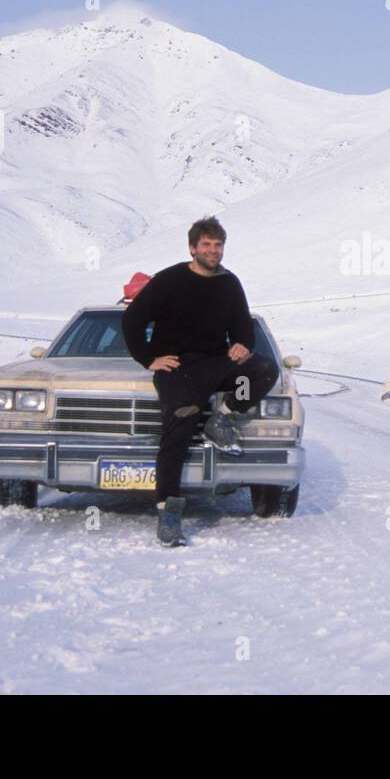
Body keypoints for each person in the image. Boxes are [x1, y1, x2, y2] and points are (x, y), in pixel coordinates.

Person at [121, 215, 280, 546]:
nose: (213, 250)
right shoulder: (169, 280)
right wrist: (148, 358)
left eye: (218, 244)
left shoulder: (229, 283)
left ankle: (222, 418)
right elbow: (133, 318)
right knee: (180, 423)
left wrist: (243, 343)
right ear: (193, 248)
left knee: (263, 369)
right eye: (206, 244)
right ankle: (168, 510)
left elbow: (242, 326)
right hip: (177, 365)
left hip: (216, 362)